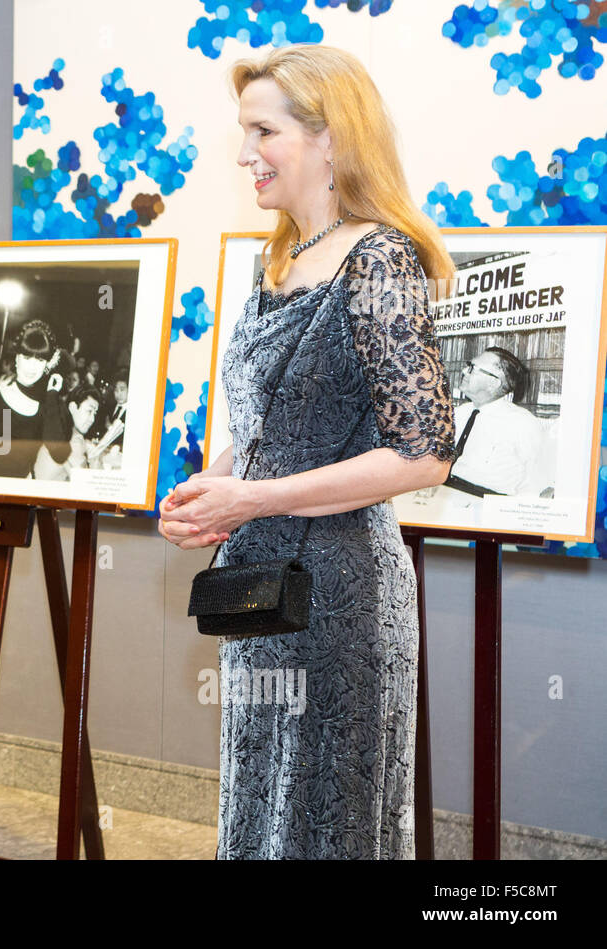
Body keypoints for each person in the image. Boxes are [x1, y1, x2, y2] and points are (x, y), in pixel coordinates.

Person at [158, 44, 456, 859]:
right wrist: (213, 484)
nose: (244, 152)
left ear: (330, 138)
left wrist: (250, 499)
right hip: (260, 597)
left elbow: (425, 454)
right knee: (264, 813)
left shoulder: (383, 261)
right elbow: (267, 427)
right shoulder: (276, 260)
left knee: (325, 822)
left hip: (342, 601)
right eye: (241, 130)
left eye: (263, 130)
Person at [445, 347, 548, 496]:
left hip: (484, 502)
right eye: (469, 365)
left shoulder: (522, 423)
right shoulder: (461, 412)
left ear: (493, 383)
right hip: (445, 492)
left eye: (472, 368)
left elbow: (535, 481)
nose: (464, 371)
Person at [0, 319, 68, 478]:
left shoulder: (47, 404)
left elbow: (59, 454)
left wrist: (52, 394)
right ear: (16, 358)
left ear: (47, 365)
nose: (32, 367)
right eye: (26, 357)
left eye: (40, 360)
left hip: (18, 493)